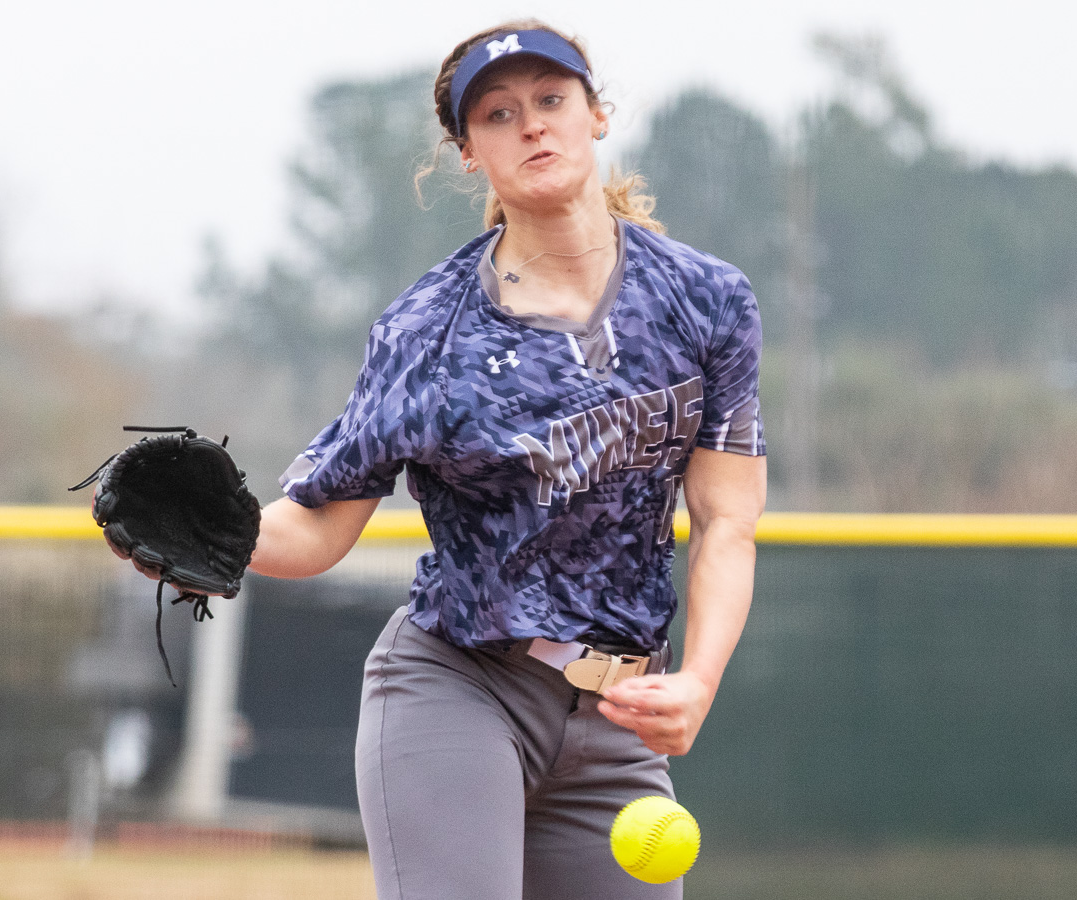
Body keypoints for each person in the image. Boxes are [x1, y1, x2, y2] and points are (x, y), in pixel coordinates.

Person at [249, 20, 766, 899]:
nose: (531, 125)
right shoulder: (428, 332)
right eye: (497, 113)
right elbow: (319, 527)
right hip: (461, 684)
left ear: (595, 114)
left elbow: (727, 520)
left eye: (551, 99)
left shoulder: (706, 300)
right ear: (468, 152)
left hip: (619, 717)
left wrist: (701, 679)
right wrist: (215, 534)